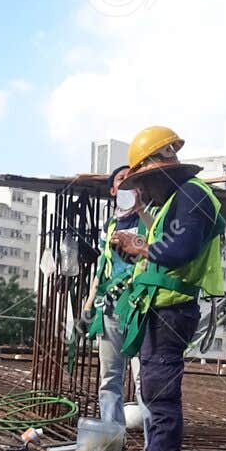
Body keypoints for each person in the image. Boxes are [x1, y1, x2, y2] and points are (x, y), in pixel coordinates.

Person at [106, 125, 226, 451]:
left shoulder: (193, 195)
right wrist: (132, 249)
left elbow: (179, 250)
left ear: (159, 168)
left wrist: (137, 246)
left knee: (160, 401)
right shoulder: (178, 199)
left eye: (143, 182)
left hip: (171, 313)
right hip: (158, 311)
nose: (142, 193)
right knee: (153, 398)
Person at [80, 166, 148, 433]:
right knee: (109, 377)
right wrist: (89, 304)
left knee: (146, 379)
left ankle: (152, 447)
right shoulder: (109, 226)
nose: (128, 183)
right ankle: (112, 437)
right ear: (113, 190)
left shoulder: (148, 219)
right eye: (122, 179)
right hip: (110, 308)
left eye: (134, 179)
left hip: (139, 310)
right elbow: (103, 268)